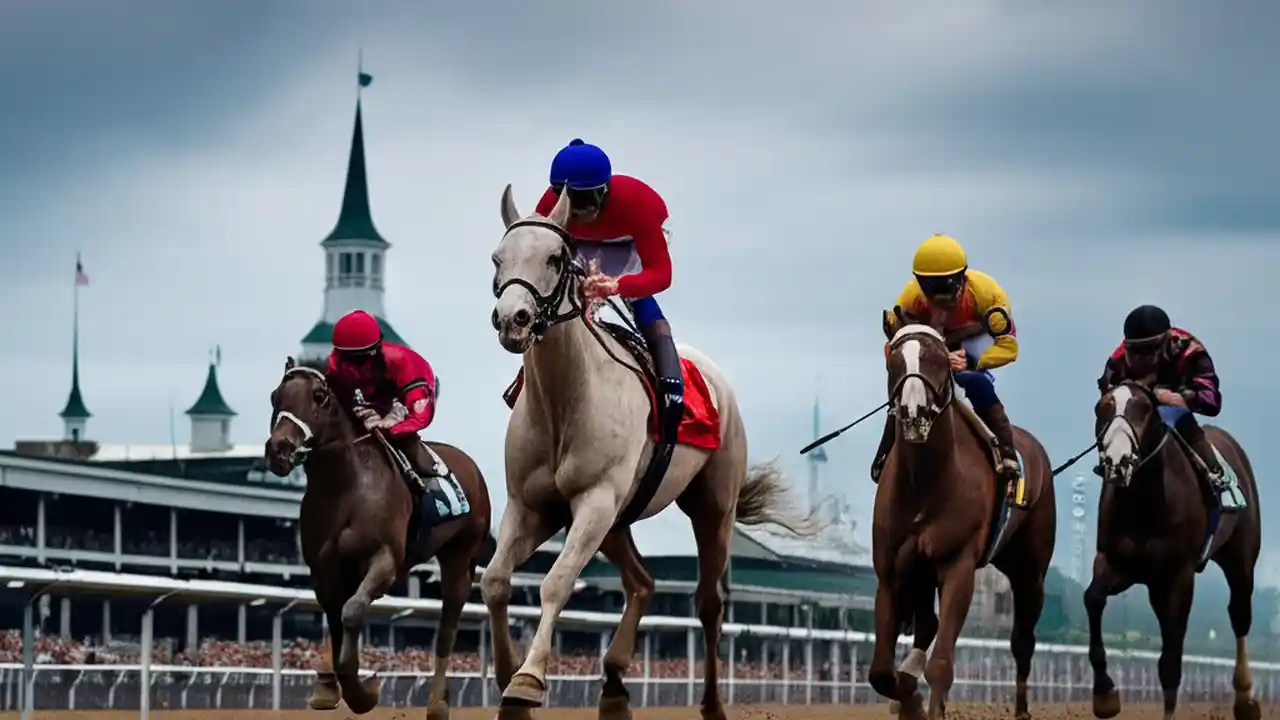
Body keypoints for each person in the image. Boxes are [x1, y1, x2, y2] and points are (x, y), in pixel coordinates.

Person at [533, 138, 684, 448]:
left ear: (604, 190)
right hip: (577, 244)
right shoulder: (548, 208)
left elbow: (662, 274)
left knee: (637, 299)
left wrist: (618, 285)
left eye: (586, 199)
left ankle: (672, 388)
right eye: (569, 200)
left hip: (627, 244)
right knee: (563, 300)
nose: (579, 210)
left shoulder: (638, 204)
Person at [874, 233, 1027, 507]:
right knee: (911, 385)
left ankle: (1007, 453)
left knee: (975, 382)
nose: (939, 296)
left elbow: (1009, 348)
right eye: (930, 288)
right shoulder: (910, 297)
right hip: (936, 340)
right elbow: (896, 347)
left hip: (979, 339)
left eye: (946, 285)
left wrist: (973, 362)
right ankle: (886, 451)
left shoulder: (988, 294)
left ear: (962, 278)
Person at [1096, 304, 1242, 508]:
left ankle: (1217, 477)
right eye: (1135, 351)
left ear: (1168, 341)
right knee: (1114, 422)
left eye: (1150, 350)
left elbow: (1212, 401)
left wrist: (1180, 399)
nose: (1142, 358)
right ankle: (1110, 467)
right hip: (1138, 405)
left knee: (1184, 425)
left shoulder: (1191, 352)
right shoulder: (1117, 359)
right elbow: (1107, 396)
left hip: (1174, 401)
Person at [324, 309, 465, 519]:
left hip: (413, 393)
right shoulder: (336, 363)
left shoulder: (404, 363)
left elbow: (419, 415)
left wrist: (391, 426)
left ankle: (439, 485)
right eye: (346, 358)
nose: (350, 364)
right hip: (374, 395)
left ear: (374, 350)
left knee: (402, 439)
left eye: (358, 359)